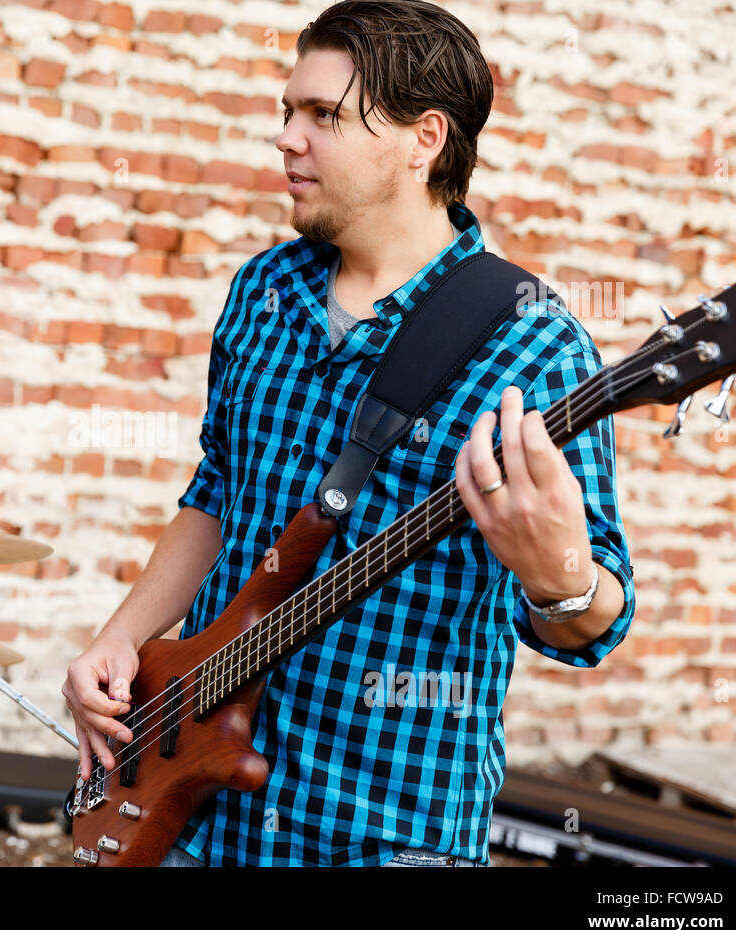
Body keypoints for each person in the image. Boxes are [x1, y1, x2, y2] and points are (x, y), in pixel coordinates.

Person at [62, 0, 634, 867]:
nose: (287, 138)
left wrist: (558, 575)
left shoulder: (533, 344)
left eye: (322, 116)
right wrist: (120, 636)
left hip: (379, 832)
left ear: (423, 138)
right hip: (190, 815)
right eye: (288, 112)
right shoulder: (265, 290)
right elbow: (219, 491)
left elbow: (596, 620)